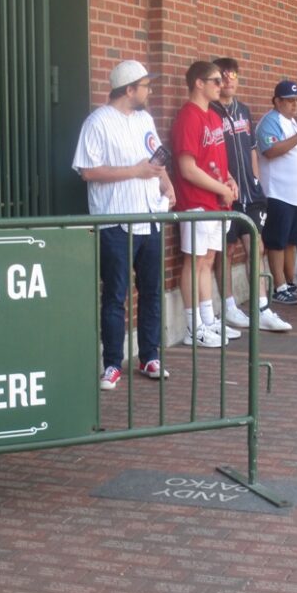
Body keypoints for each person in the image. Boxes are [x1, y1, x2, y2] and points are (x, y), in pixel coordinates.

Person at [72, 60, 176, 391]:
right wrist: (134, 171)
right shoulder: (97, 122)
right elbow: (87, 171)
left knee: (151, 290)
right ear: (129, 89)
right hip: (116, 220)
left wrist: (167, 186)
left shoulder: (145, 118)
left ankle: (149, 356)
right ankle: (113, 363)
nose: (150, 90)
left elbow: (155, 160)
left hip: (150, 216)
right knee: (115, 294)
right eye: (145, 85)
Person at [210, 58, 291, 332]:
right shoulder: (210, 111)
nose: (229, 80)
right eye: (224, 75)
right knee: (227, 249)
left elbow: (253, 149)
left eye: (234, 75)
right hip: (225, 193)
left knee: (255, 245)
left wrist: (256, 180)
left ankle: (262, 307)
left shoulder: (243, 110)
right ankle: (230, 306)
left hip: (250, 193)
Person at [171, 61, 240, 348]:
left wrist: (230, 180)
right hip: (197, 202)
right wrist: (220, 190)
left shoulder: (213, 116)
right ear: (198, 83)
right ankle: (193, 326)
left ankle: (208, 319)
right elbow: (187, 168)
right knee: (195, 261)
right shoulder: (188, 117)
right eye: (215, 80)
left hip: (215, 201)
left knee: (208, 260)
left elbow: (217, 160)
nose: (220, 85)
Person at [256, 80, 297, 306]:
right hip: (276, 192)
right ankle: (279, 286)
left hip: (295, 194)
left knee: (291, 241)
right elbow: (270, 150)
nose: (295, 105)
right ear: (277, 101)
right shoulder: (271, 121)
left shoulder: (291, 122)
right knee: (276, 242)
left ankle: (290, 282)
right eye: (290, 101)